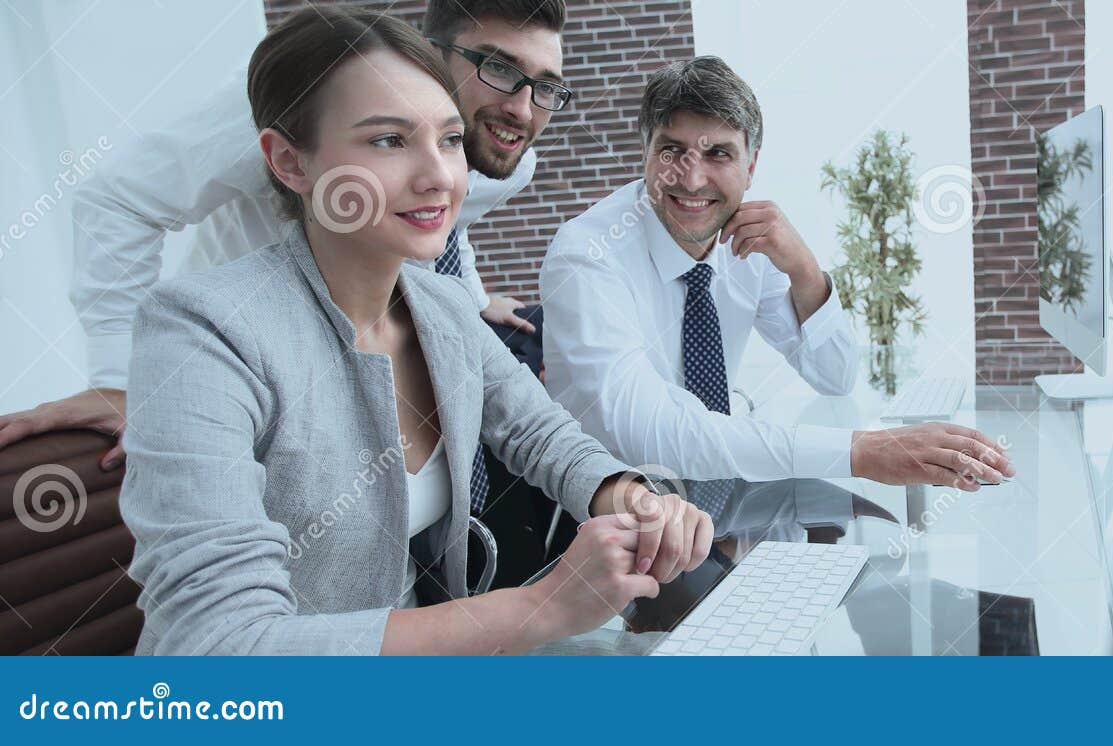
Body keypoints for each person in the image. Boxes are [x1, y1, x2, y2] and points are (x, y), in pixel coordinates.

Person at [121, 8, 710, 655]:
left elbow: (540, 433)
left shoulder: (440, 304)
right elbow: (219, 644)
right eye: (388, 140)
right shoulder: (202, 332)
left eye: (450, 139)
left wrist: (627, 494)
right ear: (289, 161)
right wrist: (538, 608)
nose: (438, 176)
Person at [0, 0, 566, 483]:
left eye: (545, 86)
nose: (521, 107)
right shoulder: (310, 101)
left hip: (375, 361)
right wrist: (125, 381)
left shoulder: (508, 159)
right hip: (254, 370)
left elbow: (448, 223)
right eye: (496, 67)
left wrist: (470, 294)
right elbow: (117, 201)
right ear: (428, 51)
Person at [541, 56, 1014, 490]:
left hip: (722, 499)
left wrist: (805, 269)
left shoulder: (750, 241)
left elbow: (835, 375)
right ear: (646, 154)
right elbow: (648, 434)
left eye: (718, 154)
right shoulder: (588, 255)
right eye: (671, 150)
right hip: (615, 518)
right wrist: (858, 452)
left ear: (752, 167)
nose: (691, 178)